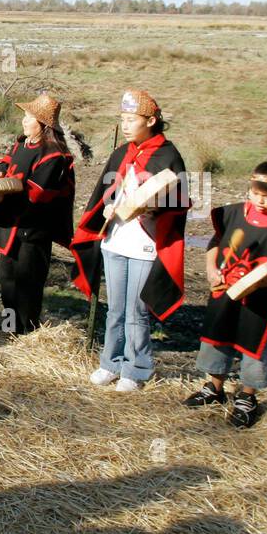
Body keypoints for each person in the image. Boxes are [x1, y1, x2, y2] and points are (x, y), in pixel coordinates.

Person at [70, 89, 188, 392]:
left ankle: (136, 369)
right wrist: (108, 206)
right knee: (116, 310)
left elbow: (180, 200)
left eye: (131, 119)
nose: (125, 125)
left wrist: (152, 206)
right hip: (116, 240)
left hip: (145, 244)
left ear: (150, 120)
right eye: (122, 119)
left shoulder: (168, 155)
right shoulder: (123, 152)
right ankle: (110, 362)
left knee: (137, 312)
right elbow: (107, 191)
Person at [183, 163, 267, 428]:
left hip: (262, 301)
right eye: (256, 193)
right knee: (218, 338)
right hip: (225, 292)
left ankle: (247, 397)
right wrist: (211, 271)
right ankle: (215, 388)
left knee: (254, 347)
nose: (260, 199)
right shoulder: (233, 214)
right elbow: (215, 244)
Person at [0, 93, 76, 334]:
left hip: (34, 227)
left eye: (29, 117)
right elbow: (5, 160)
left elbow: (38, 194)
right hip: (12, 222)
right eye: (24, 116)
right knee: (8, 278)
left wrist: (5, 189)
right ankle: (9, 324)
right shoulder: (23, 143)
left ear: (43, 124)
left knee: (28, 281)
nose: (23, 121)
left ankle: (27, 328)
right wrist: (0, 174)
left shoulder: (55, 155)